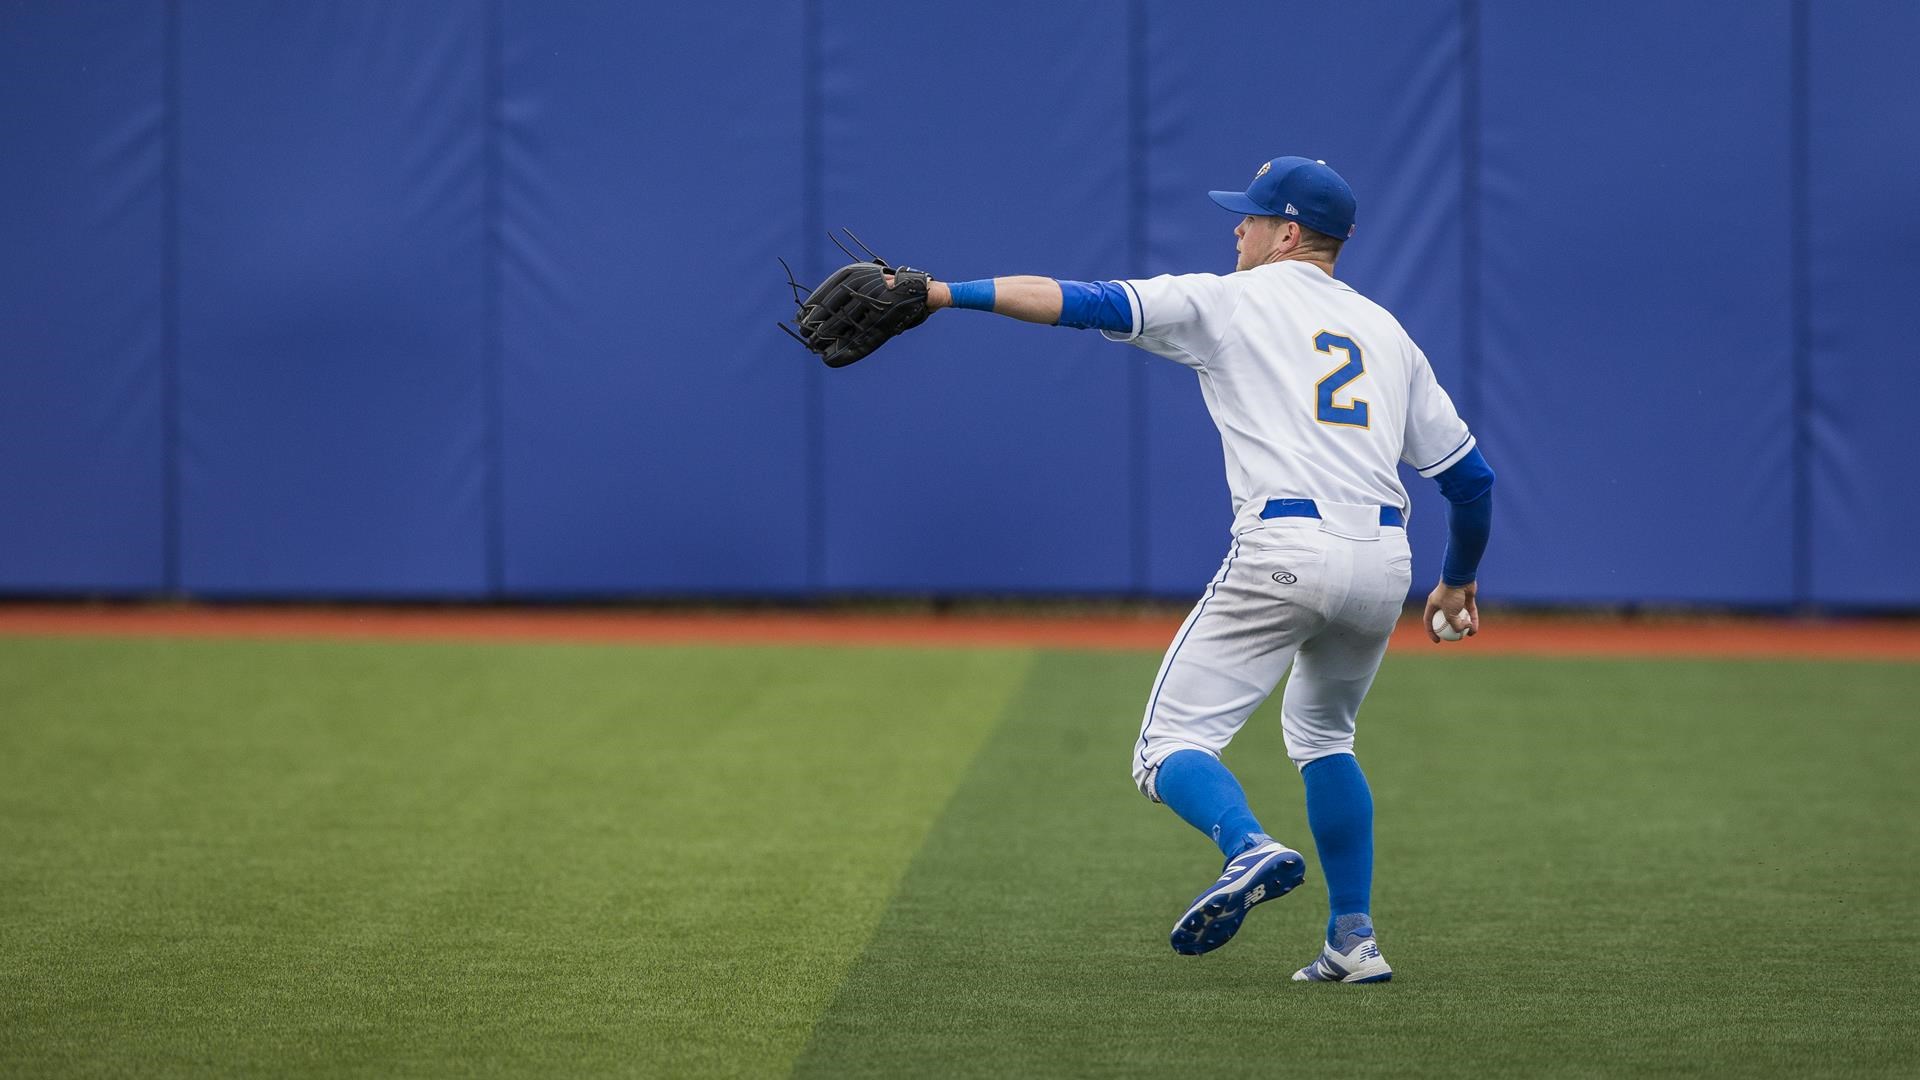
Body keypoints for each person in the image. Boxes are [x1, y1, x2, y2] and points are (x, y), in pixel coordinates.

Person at [920, 157, 1494, 983]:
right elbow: (1470, 482)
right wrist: (1458, 578)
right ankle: (1352, 940)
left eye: (1250, 217)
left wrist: (944, 292)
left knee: (1168, 744)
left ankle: (1249, 847)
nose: (1237, 228)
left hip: (1285, 551)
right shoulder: (1386, 333)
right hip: (1383, 564)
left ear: (1287, 233)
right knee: (1327, 736)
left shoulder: (1231, 300)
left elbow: (1082, 302)